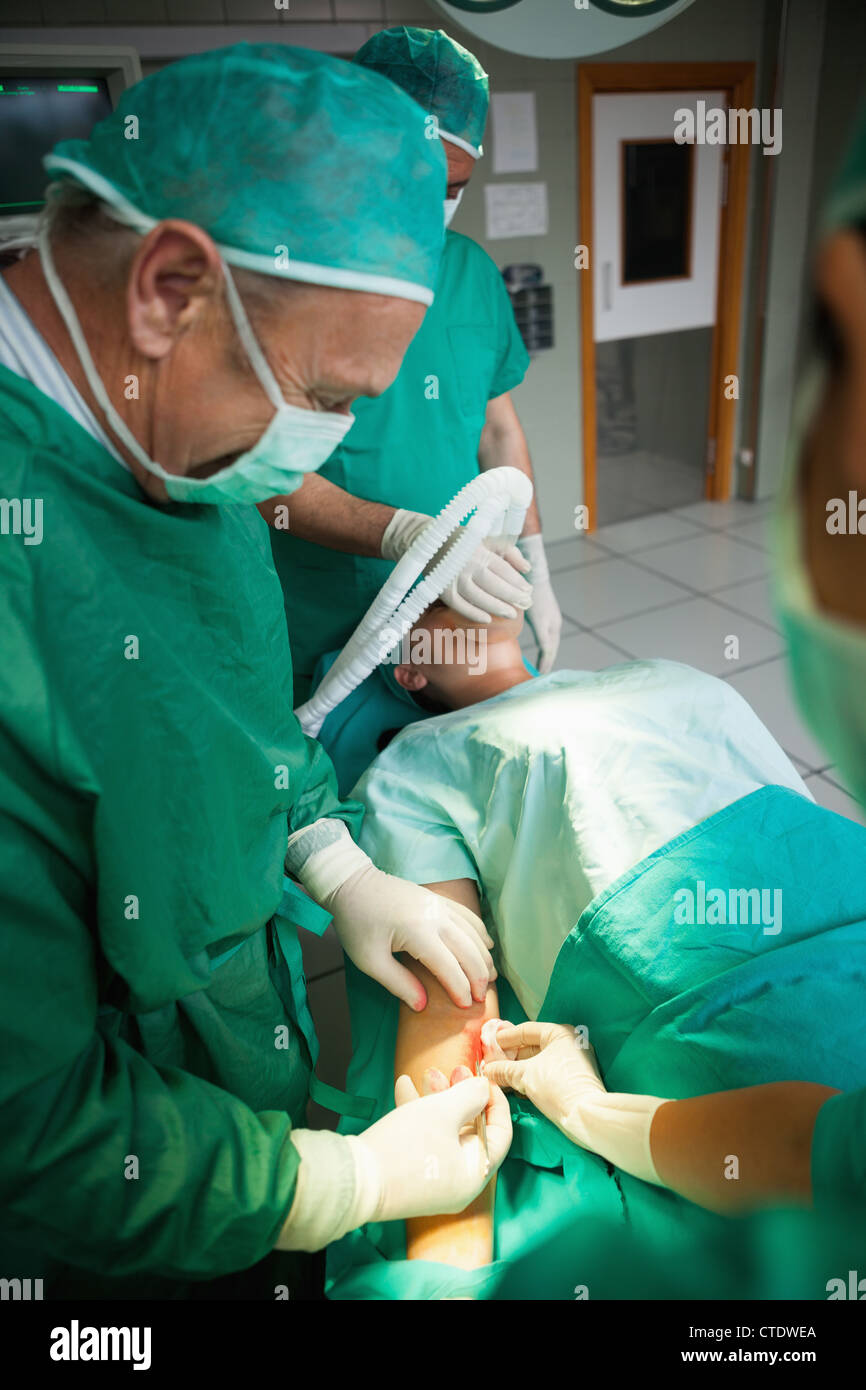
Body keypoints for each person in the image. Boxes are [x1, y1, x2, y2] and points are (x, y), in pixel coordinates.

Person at [0, 43, 509, 1302]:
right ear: (171, 286)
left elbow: (224, 711)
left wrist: (334, 865)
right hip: (108, 1213)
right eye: (324, 393)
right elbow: (35, 1117)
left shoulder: (170, 434)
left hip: (230, 1043)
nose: (317, 448)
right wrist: (336, 1190)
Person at [260, 27, 563, 699]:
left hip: (452, 606)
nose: (431, 204)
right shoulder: (285, 276)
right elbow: (261, 474)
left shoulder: (471, 274)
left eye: (453, 185)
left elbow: (498, 432)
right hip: (321, 610)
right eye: (410, 177)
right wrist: (405, 535)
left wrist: (534, 565)